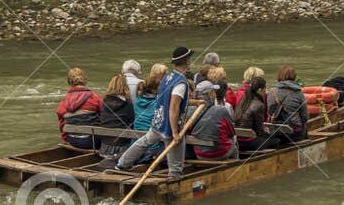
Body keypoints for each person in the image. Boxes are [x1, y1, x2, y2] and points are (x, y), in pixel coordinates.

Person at [115, 47, 193, 177]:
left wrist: (196, 102)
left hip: (158, 120)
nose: (190, 62)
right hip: (170, 124)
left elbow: (168, 99)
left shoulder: (168, 76)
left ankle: (122, 163)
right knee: (176, 159)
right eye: (189, 59)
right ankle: (174, 177)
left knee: (144, 141)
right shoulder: (181, 82)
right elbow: (173, 107)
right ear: (186, 61)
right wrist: (175, 132)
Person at [189, 71, 238, 161]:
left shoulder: (190, 111)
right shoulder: (222, 110)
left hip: (199, 154)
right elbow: (232, 133)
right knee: (234, 145)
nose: (215, 94)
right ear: (210, 94)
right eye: (213, 91)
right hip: (219, 153)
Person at [56, 68, 102, 149]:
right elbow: (105, 116)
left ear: (69, 81)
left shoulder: (64, 100)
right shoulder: (94, 97)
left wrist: (66, 139)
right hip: (93, 142)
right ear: (84, 79)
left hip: (72, 140)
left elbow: (61, 124)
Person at [263, 65, 309, 146]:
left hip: (274, 133)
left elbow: (268, 112)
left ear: (279, 76)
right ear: (294, 77)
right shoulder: (298, 93)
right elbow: (305, 117)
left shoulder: (271, 92)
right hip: (294, 134)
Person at [96, 74, 135, 161]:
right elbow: (132, 121)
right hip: (121, 147)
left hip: (104, 147)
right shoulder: (127, 103)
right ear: (125, 86)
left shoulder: (104, 102)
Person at [233, 74, 270, 153]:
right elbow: (259, 131)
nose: (266, 91)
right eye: (265, 88)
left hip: (237, 140)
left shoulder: (242, 100)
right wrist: (268, 134)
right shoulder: (259, 105)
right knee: (276, 141)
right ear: (259, 90)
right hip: (248, 141)